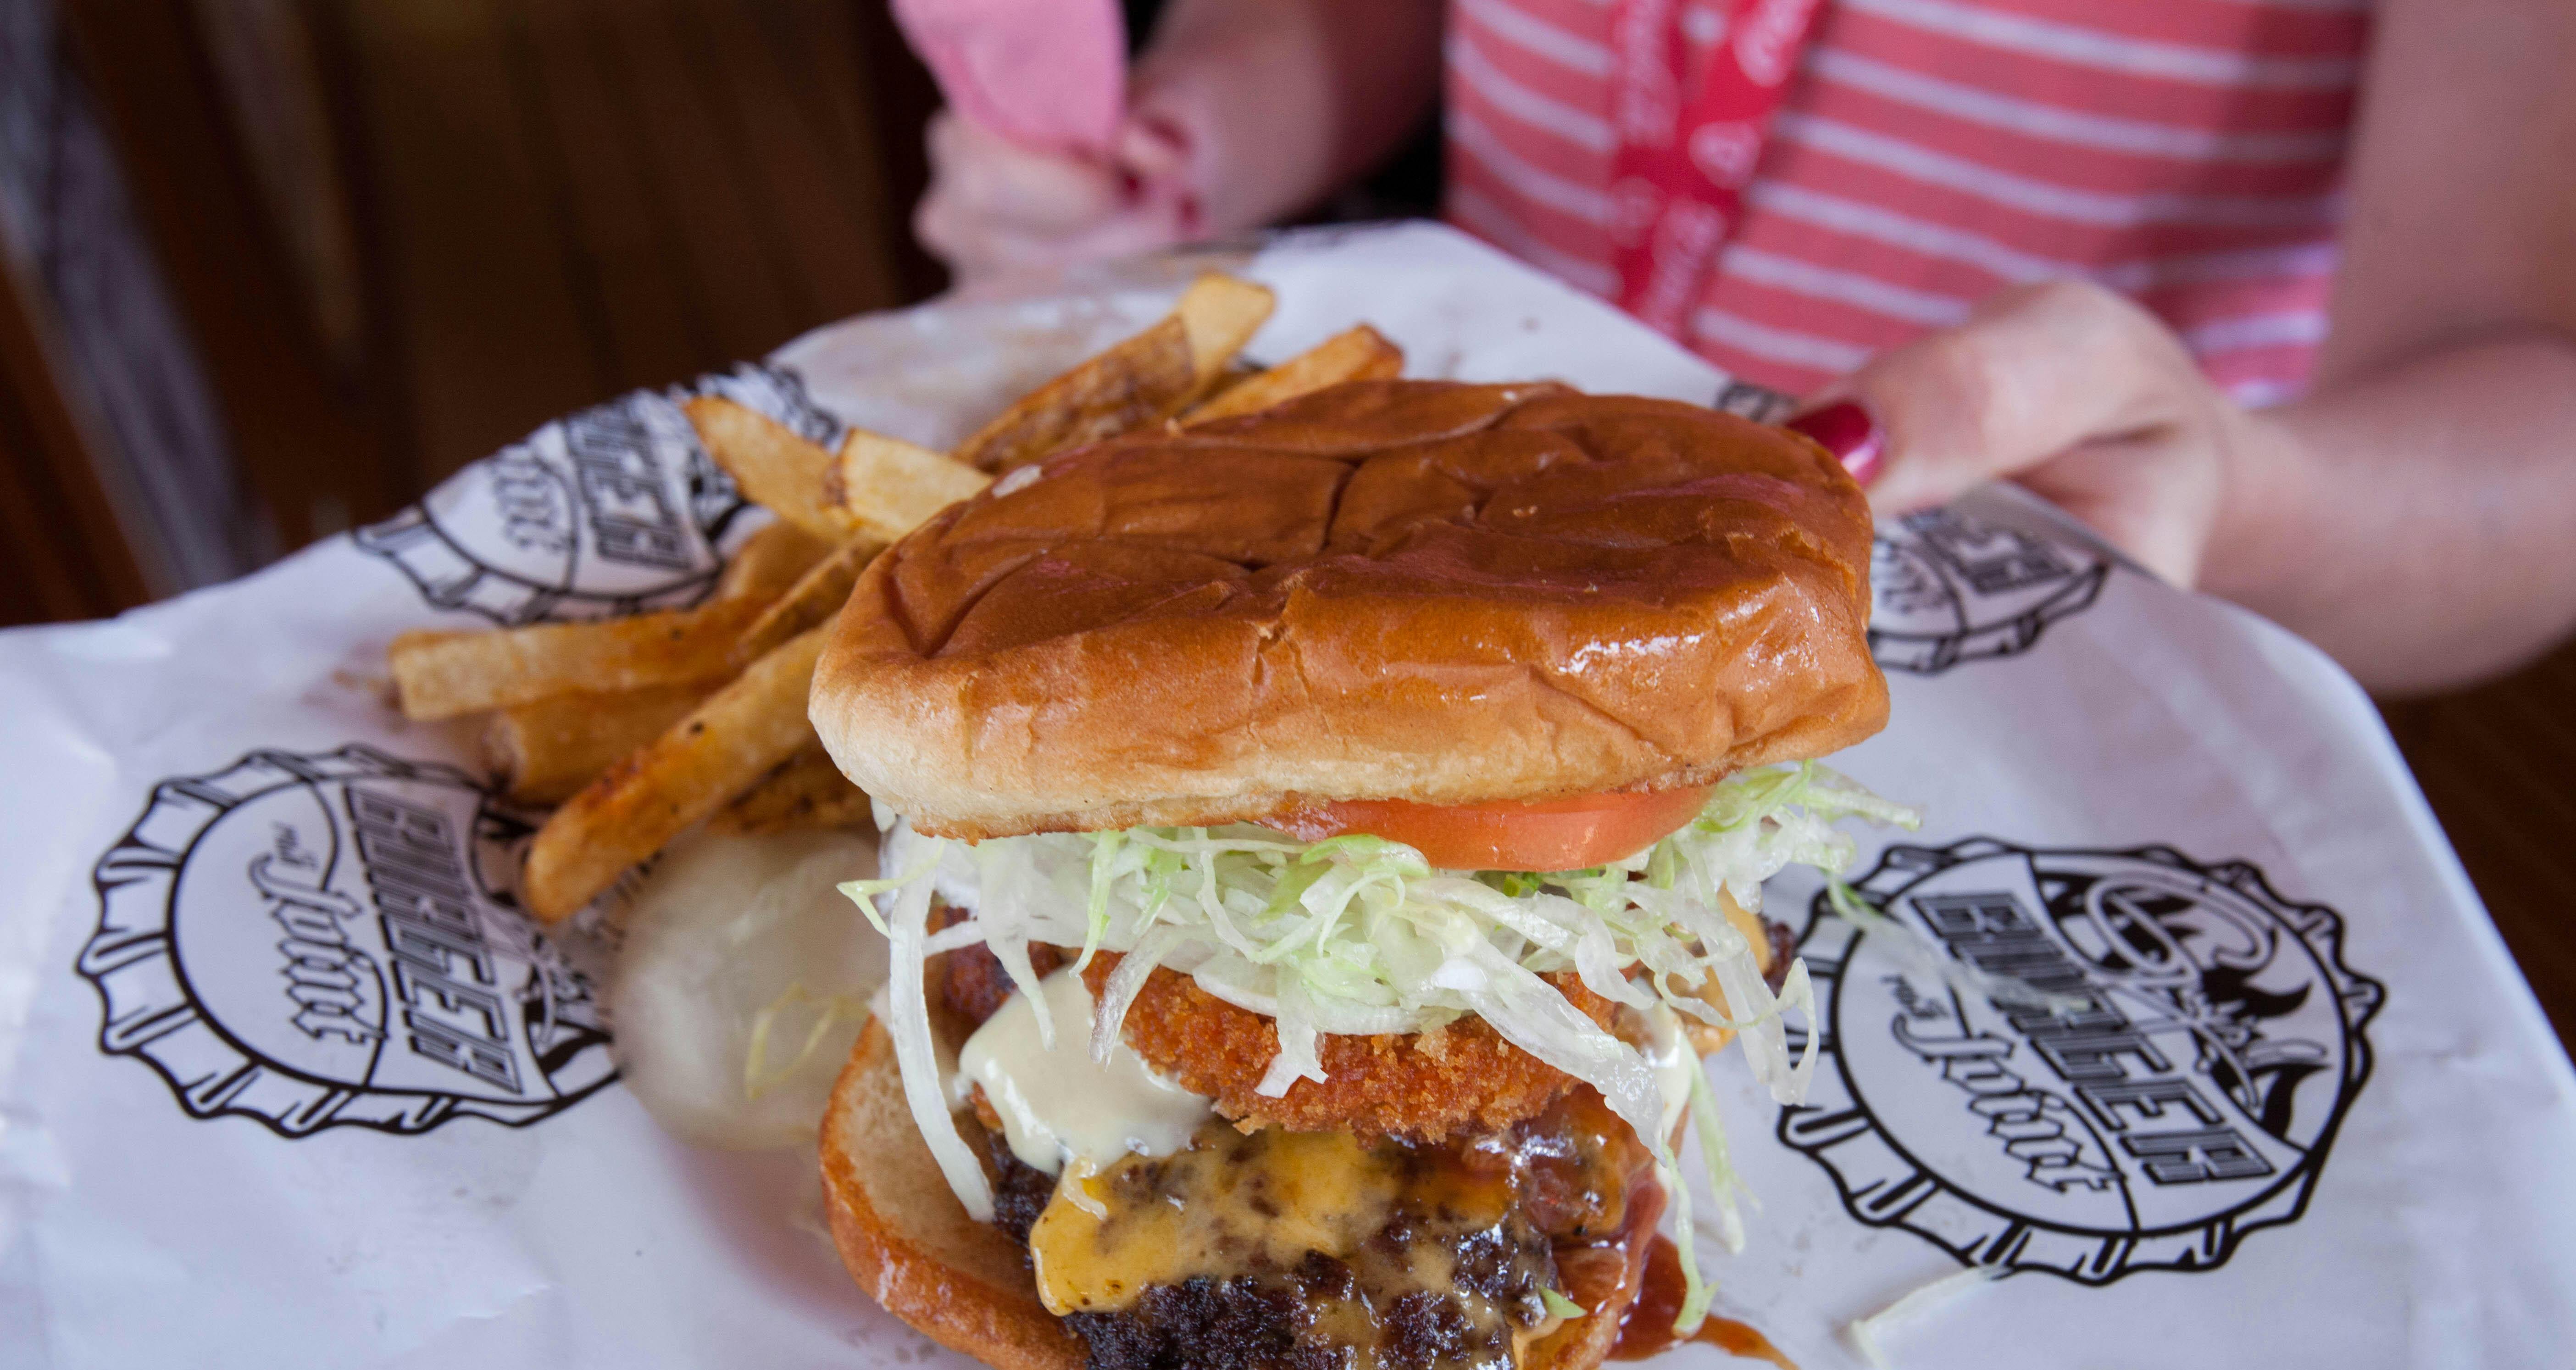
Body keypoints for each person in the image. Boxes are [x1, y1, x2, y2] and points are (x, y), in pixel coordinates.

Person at [905, 0, 2576, 696]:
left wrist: (2241, 495)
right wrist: (1188, 159)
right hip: (1411, 554)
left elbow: (2529, 396)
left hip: (2032, 699)